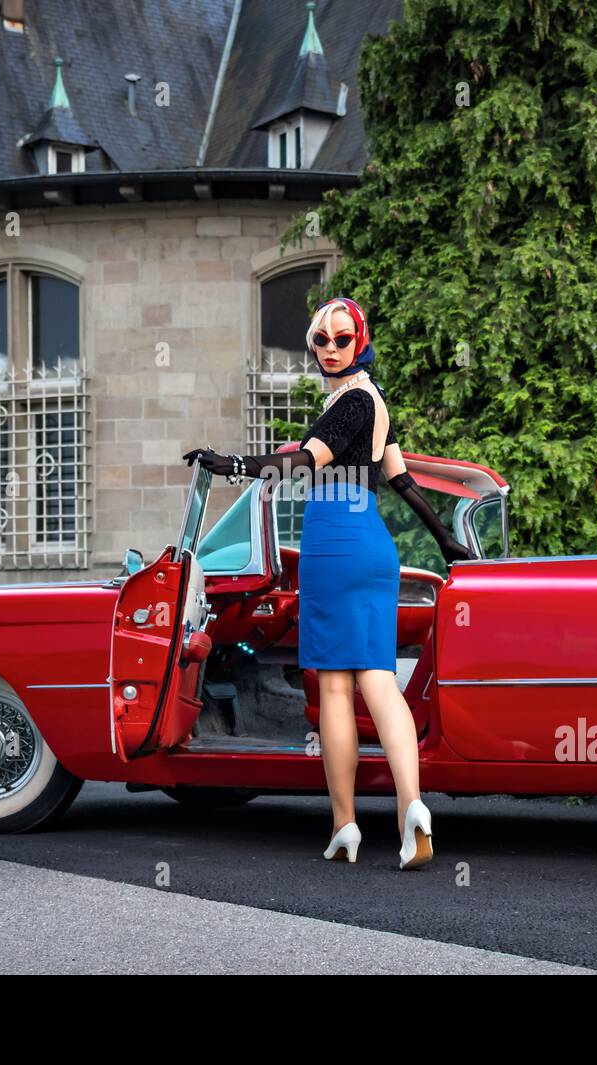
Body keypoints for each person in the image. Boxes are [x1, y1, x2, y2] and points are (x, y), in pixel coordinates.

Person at [183, 296, 474, 870]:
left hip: (333, 544)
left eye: (343, 339)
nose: (332, 349)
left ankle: (345, 824)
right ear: (315, 346)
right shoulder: (375, 401)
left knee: (338, 687)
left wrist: (232, 465)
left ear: (359, 342)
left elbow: (302, 465)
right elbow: (403, 480)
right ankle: (411, 810)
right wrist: (445, 540)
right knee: (380, 680)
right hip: (373, 544)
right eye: (323, 340)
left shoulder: (348, 405)